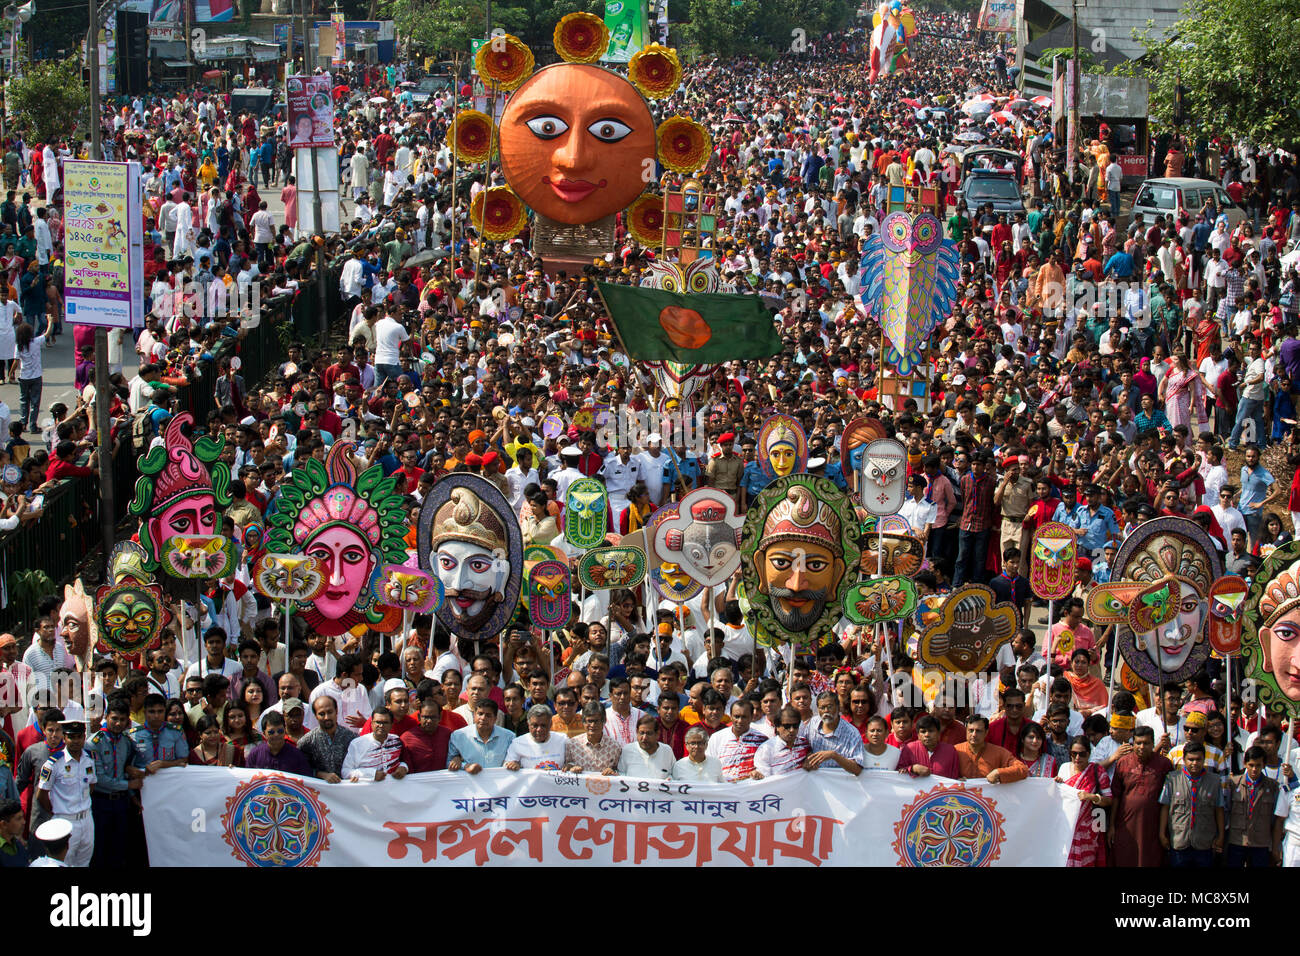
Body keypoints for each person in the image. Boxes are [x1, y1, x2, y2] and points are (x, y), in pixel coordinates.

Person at [1110, 725, 1174, 867]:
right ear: (1133, 743)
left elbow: (1168, 801)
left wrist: (1163, 832)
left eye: (1146, 743)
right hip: (1126, 824)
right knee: (1125, 858)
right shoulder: (1123, 762)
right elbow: (1116, 796)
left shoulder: (1164, 764)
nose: (1141, 747)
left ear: (1153, 744)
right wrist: (1112, 826)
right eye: (1138, 743)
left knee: (1150, 859)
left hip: (1152, 826)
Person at [36, 720, 95, 866]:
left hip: (87, 818)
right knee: (63, 863)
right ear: (64, 737)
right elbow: (41, 794)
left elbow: (91, 785)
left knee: (84, 862)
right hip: (65, 819)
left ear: (84, 737)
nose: (75, 741)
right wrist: (56, 812)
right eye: (71, 737)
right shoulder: (54, 763)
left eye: (79, 737)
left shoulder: (90, 758)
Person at [1158, 741, 1225, 867]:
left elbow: (1219, 809)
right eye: (1191, 759)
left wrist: (1221, 835)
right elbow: (1165, 807)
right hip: (1179, 841)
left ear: (1204, 759)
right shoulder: (1172, 779)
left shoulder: (1215, 781)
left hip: (1204, 842)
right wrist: (1162, 834)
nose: (1194, 763)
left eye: (1198, 759)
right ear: (1183, 759)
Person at [1224, 745, 1286, 867]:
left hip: (1261, 843)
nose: (1254, 769)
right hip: (1237, 840)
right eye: (1251, 765)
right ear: (1245, 763)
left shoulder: (1272, 786)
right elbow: (1226, 810)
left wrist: (1275, 846)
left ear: (1264, 765)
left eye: (1258, 765)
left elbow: (1275, 819)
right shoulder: (1233, 783)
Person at [1058, 735, 1112, 867]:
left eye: (1082, 754)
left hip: (1088, 831)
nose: (1077, 758)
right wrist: (1057, 784)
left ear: (1089, 753)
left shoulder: (1097, 771)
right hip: (1065, 829)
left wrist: (1092, 797)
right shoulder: (1064, 768)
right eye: (1074, 753)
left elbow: (1109, 800)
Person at [297, 696, 357, 783]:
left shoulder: (351, 738)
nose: (326, 717)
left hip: (347, 791)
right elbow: (301, 769)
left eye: (330, 712)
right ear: (316, 716)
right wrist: (321, 774)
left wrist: (355, 775)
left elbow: (359, 765)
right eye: (322, 714)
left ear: (336, 711)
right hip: (320, 793)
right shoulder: (306, 742)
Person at [706, 699, 768, 781]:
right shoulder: (716, 738)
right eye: (737, 716)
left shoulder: (762, 740)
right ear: (730, 716)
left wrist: (759, 772)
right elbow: (709, 766)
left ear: (752, 717)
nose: (740, 721)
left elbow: (766, 768)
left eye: (744, 717)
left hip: (751, 789)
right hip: (723, 788)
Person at [803, 692, 865, 775]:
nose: (826, 711)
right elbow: (803, 747)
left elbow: (857, 769)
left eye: (830, 707)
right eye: (822, 708)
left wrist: (834, 755)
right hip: (815, 783)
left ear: (838, 708)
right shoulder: (812, 724)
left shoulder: (852, 733)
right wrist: (808, 756)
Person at [956, 715, 1028, 783]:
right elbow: (945, 777)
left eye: (978, 731)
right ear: (966, 731)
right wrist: (955, 779)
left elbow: (1023, 769)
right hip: (961, 795)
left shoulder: (999, 752)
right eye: (971, 730)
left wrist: (999, 773)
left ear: (986, 732)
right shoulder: (956, 750)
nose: (974, 734)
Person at [341, 707, 408, 781]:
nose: (381, 726)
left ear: (392, 724)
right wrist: (371, 774)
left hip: (393, 789)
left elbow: (402, 762)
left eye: (385, 722)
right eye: (378, 722)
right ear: (372, 723)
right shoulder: (357, 744)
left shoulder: (396, 741)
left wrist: (403, 767)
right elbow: (345, 772)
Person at [448, 700, 513, 773]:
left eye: (488, 715)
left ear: (495, 718)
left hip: (500, 782)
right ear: (474, 715)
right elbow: (449, 762)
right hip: (469, 783)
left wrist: (511, 764)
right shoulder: (458, 736)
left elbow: (513, 761)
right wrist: (465, 766)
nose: (483, 718)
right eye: (480, 714)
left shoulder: (509, 737)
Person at [243, 711, 313, 775]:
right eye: (271, 732)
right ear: (264, 733)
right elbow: (248, 779)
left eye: (280, 731)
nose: (276, 735)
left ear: (285, 731)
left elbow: (306, 781)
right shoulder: (255, 754)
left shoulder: (297, 756)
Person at [562, 703, 621, 774]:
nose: (593, 725)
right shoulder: (572, 744)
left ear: (604, 721)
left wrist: (613, 771)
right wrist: (571, 768)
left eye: (596, 721)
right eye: (589, 721)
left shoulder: (614, 747)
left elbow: (620, 772)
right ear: (583, 722)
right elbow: (566, 769)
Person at [898, 713, 962, 778]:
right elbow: (898, 773)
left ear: (939, 733)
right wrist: (913, 768)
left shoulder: (950, 751)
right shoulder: (909, 749)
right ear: (918, 735)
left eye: (931, 731)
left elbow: (955, 777)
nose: (927, 735)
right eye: (923, 732)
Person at [504, 705, 567, 770]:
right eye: (535, 725)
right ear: (528, 724)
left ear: (550, 724)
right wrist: (513, 765)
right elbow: (506, 767)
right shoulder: (517, 743)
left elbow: (572, 763)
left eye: (543, 725)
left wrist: (570, 765)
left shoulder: (562, 740)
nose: (539, 729)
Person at [617, 714, 675, 779]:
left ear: (657, 734)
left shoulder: (667, 751)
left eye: (649, 733)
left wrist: (670, 780)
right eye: (641, 733)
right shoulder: (627, 750)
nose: (644, 738)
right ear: (636, 732)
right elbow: (621, 775)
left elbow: (673, 775)